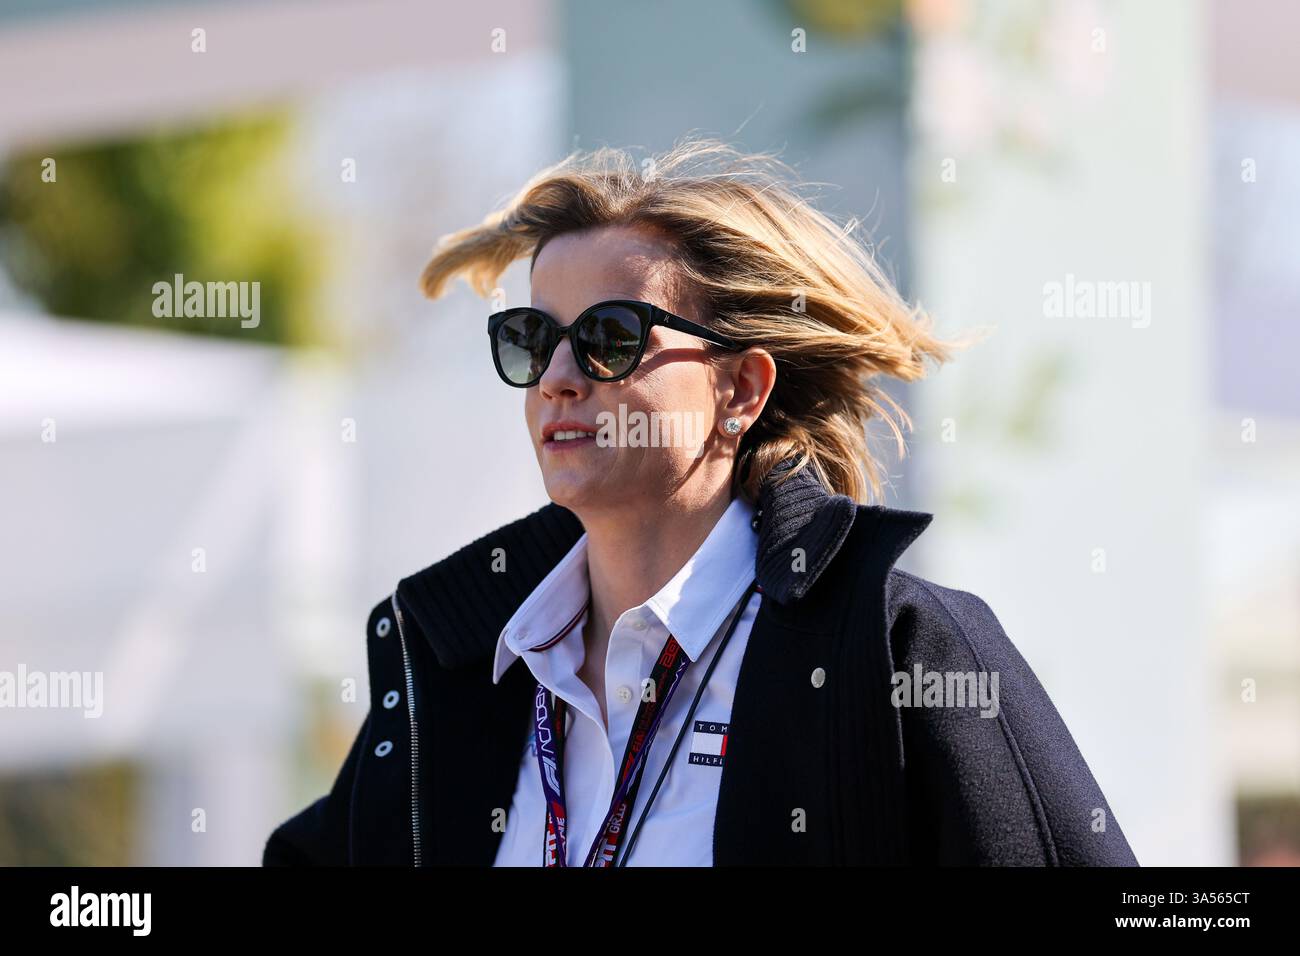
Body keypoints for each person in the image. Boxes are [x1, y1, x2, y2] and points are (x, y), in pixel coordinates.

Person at [263, 137, 1138, 866]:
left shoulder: (894, 646)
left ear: (740, 392)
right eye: (533, 340)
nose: (558, 379)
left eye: (610, 338)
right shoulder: (453, 673)